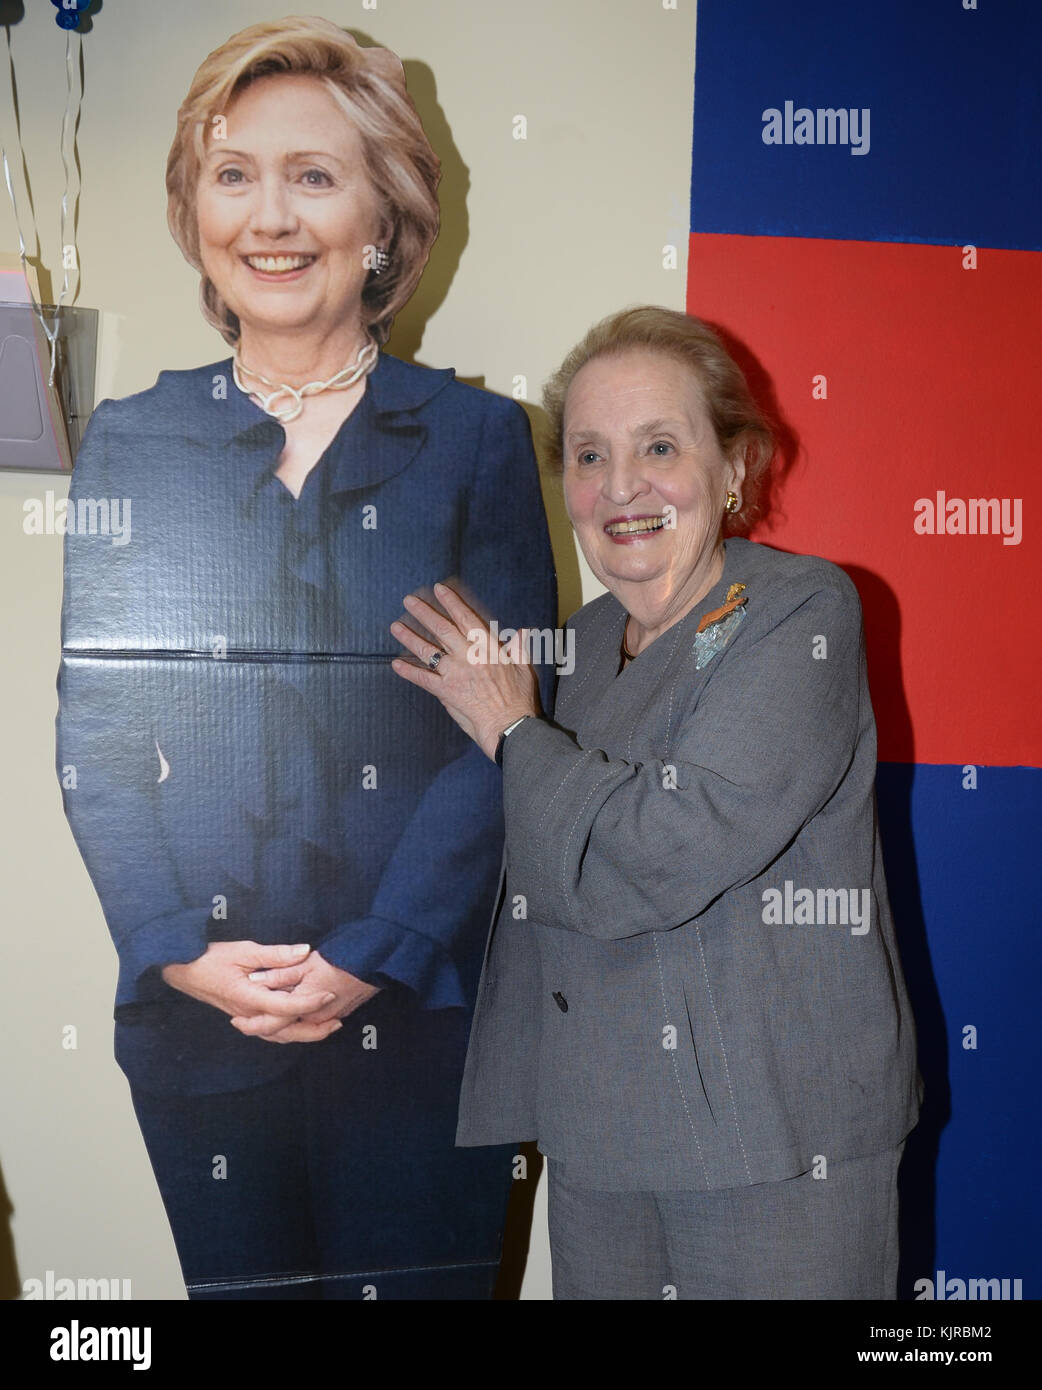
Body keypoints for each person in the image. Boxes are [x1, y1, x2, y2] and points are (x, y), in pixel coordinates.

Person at [56, 17, 555, 1300]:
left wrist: (371, 950)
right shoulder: (132, 441)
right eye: (234, 174)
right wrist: (175, 946)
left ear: (385, 216)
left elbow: (503, 736)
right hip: (199, 1021)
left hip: (421, 1016)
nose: (269, 217)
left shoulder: (477, 440)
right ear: (195, 208)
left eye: (315, 176)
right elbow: (97, 736)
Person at [391, 305, 922, 1300]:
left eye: (659, 446)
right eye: (588, 455)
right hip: (599, 1145)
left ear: (733, 469)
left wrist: (512, 730)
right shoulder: (574, 647)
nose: (619, 486)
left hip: (775, 1146)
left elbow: (662, 849)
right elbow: (530, 866)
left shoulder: (800, 611)